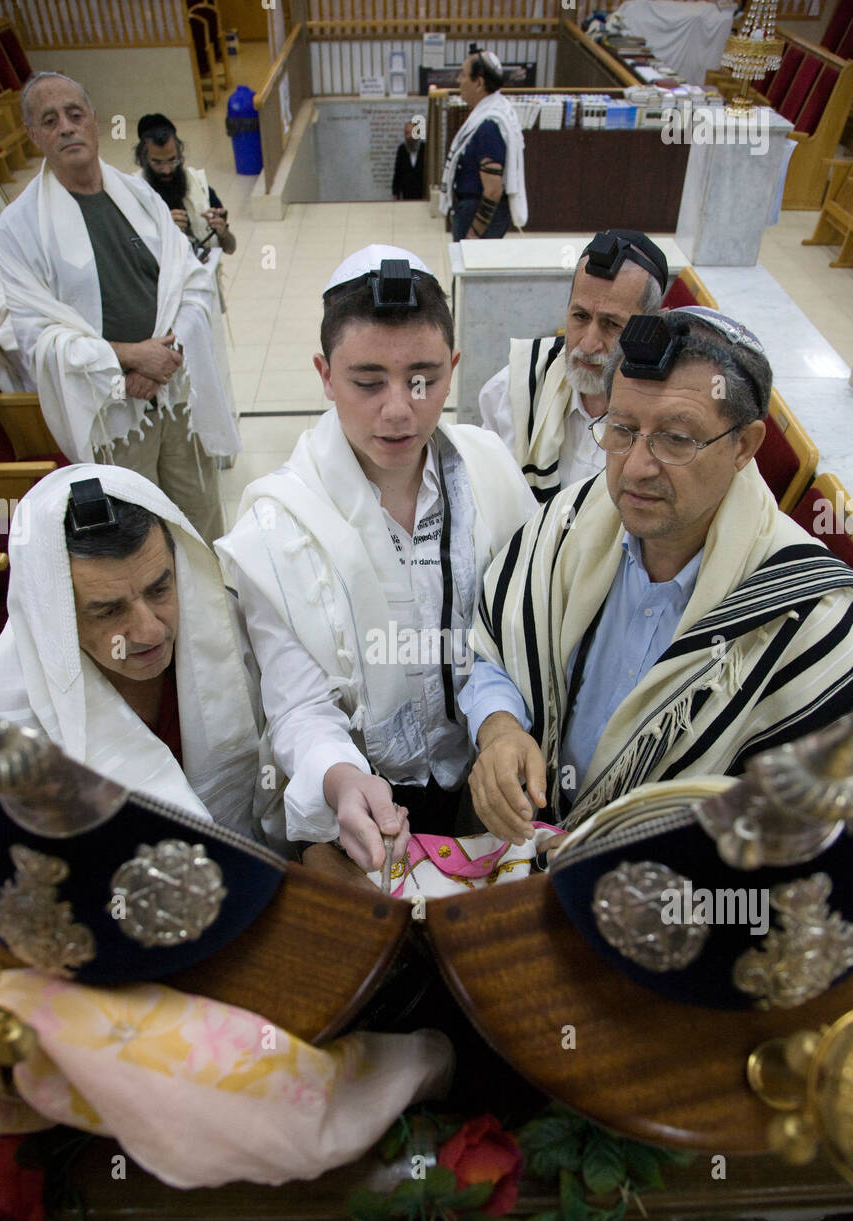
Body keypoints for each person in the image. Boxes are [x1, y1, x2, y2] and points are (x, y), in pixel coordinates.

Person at [460, 307, 853, 842]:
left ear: (744, 445)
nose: (637, 467)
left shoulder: (809, 618)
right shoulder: (573, 519)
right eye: (622, 429)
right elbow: (496, 644)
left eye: (675, 439)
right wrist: (500, 728)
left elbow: (799, 834)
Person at [216, 246, 537, 874]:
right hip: (367, 800)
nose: (399, 409)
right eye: (367, 383)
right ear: (325, 375)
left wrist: (502, 727)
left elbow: (519, 626)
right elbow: (299, 706)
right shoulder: (278, 526)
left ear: (454, 368)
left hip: (483, 775)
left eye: (425, 379)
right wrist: (339, 779)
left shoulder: (491, 471)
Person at [0, 72, 239, 546]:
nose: (65, 127)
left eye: (73, 114)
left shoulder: (139, 196)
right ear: (32, 134)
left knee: (200, 519)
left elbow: (191, 285)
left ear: (94, 122)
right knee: (138, 532)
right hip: (110, 407)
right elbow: (36, 336)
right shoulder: (20, 225)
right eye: (49, 120)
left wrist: (161, 361)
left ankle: (215, 609)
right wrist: (125, 360)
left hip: (175, 392)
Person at [0, 465, 273, 838]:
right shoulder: (1, 713)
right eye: (109, 610)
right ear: (51, 617)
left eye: (159, 590)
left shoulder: (234, 632)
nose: (151, 631)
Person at [479, 230, 668, 500]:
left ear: (653, 326)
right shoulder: (515, 389)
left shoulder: (672, 415)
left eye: (612, 324)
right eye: (580, 316)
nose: (589, 345)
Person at [439, 49, 527, 242]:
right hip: (474, 211)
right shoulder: (488, 116)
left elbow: (493, 190)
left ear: (478, 83)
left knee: (473, 270)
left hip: (478, 216)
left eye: (463, 74)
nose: (458, 81)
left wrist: (473, 235)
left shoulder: (489, 126)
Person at [134, 113, 236, 256]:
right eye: (157, 162)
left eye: (172, 160)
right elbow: (132, 258)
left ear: (180, 156)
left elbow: (230, 248)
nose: (167, 170)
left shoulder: (199, 186)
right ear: (143, 159)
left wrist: (223, 232)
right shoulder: (134, 195)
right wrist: (166, 233)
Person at [391, 119, 425, 202]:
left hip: (423, 195)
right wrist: (395, 193)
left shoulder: (425, 149)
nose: (409, 136)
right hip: (406, 196)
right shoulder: (402, 150)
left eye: (412, 133)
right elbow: (397, 173)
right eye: (407, 133)